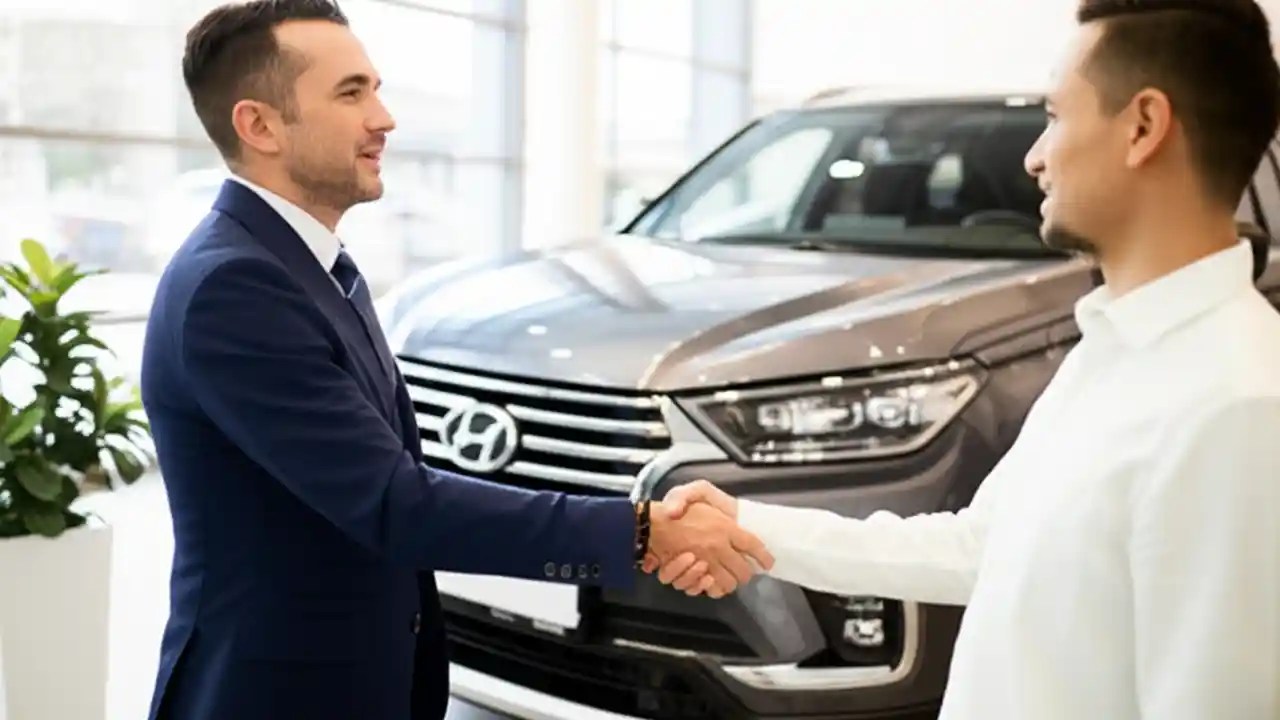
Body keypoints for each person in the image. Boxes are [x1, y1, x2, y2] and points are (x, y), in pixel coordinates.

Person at [140, 2, 772, 719]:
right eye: (351, 93)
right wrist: (642, 531)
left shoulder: (308, 265)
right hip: (276, 691)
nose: (384, 118)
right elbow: (394, 503)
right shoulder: (235, 286)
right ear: (259, 126)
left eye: (374, 88)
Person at [649, 1, 1280, 718]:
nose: (1034, 157)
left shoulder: (1241, 405)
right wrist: (750, 527)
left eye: (1054, 115)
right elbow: (982, 547)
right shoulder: (1116, 349)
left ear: (1142, 127)